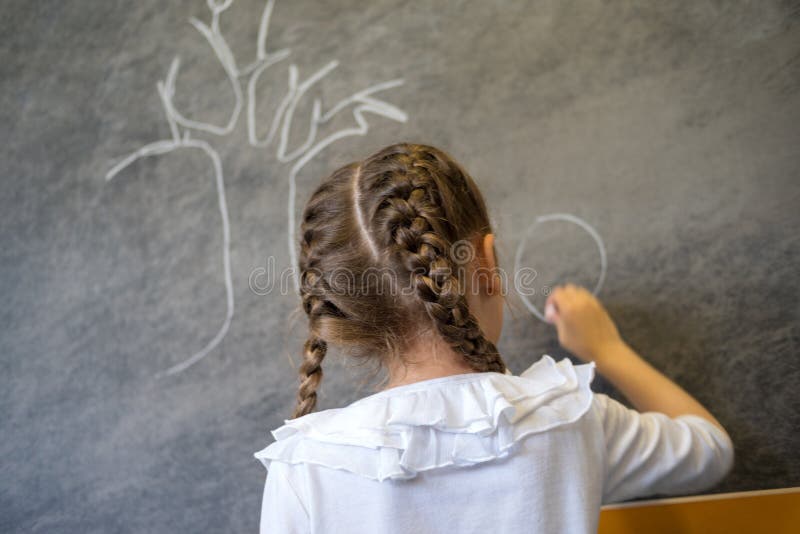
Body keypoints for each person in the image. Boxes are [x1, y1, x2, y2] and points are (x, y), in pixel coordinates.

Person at [253, 142, 734, 533]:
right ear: (486, 261)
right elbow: (709, 450)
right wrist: (607, 350)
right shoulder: (569, 418)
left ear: (337, 307)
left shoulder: (305, 468)